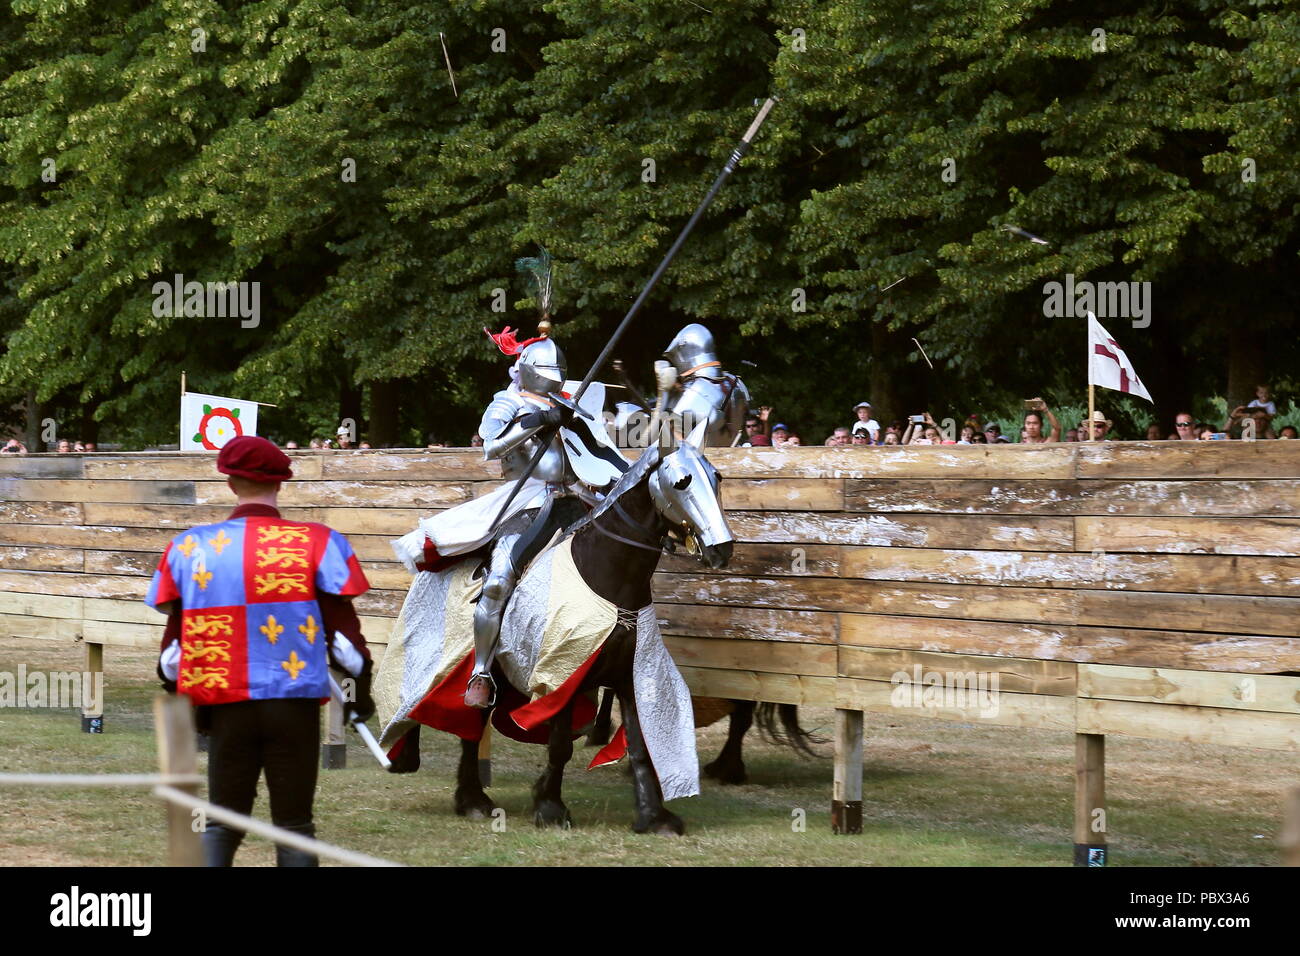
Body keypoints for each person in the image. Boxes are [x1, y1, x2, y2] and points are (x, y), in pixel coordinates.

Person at [145, 436, 373, 867]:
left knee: (222, 824)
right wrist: (360, 693)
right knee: (295, 828)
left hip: (224, 705)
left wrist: (183, 697)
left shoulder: (188, 547)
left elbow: (171, 658)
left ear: (230, 483)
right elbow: (346, 649)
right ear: (280, 484)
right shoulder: (321, 542)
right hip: (294, 703)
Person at [661, 323, 751, 446]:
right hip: (734, 457)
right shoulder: (737, 383)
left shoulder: (695, 389)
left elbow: (668, 438)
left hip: (702, 460)